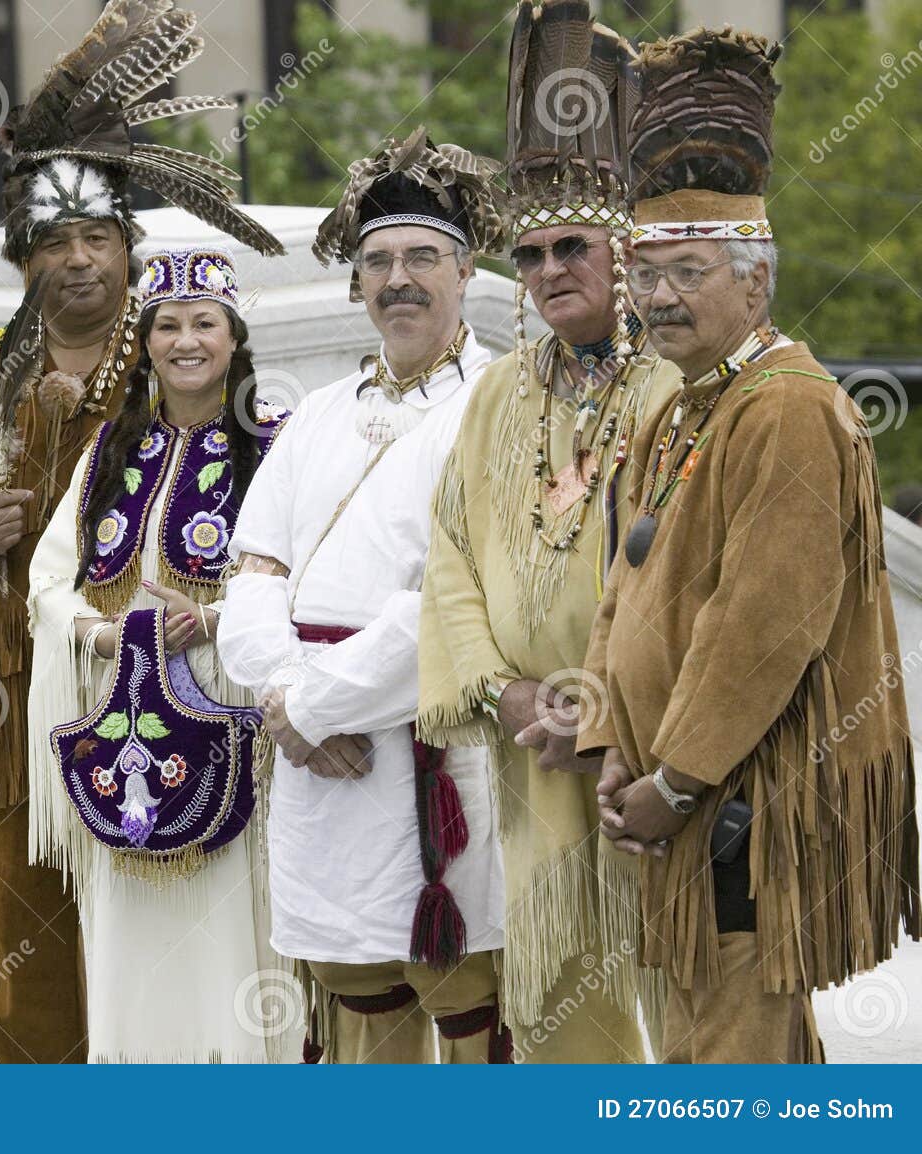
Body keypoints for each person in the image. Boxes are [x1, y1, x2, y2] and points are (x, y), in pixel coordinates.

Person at [0, 0, 282, 1062]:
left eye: (96, 236)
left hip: (175, 687)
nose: (76, 259)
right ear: (23, 254)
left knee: (166, 905)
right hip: (14, 693)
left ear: (128, 247)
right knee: (23, 930)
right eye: (54, 239)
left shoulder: (167, 358)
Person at [578, 27, 920, 1063]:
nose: (658, 297)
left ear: (756, 284)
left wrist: (673, 781)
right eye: (646, 276)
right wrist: (604, 740)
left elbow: (764, 622)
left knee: (728, 1066)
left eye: (687, 272)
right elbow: (618, 595)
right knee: (720, 1049)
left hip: (740, 808)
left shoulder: (789, 409)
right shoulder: (678, 407)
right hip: (675, 800)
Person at [416, 0, 679, 1062]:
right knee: (565, 1006)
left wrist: (615, 715)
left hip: (658, 761)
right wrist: (499, 690)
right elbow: (448, 561)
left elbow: (703, 585)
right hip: (535, 761)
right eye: (526, 256)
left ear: (623, 249)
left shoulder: (677, 385)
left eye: (572, 246)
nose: (547, 270)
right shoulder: (494, 396)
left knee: (697, 1013)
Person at [218, 129, 509, 1064]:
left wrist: (312, 703)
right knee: (350, 990)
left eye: (423, 256)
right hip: (316, 761)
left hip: (433, 743)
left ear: (465, 274)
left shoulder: (500, 402)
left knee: (462, 991)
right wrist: (288, 698)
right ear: (357, 283)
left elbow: (452, 596)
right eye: (379, 261)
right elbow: (252, 571)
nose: (400, 280)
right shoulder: (317, 412)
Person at [26, 248, 295, 1062]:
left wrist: (217, 618)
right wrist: (96, 634)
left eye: (203, 323)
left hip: (229, 710)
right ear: (143, 342)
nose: (185, 340)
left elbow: (306, 575)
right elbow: (48, 577)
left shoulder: (275, 444)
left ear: (233, 336)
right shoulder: (110, 448)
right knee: (129, 926)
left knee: (229, 919)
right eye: (166, 325)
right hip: (119, 710)